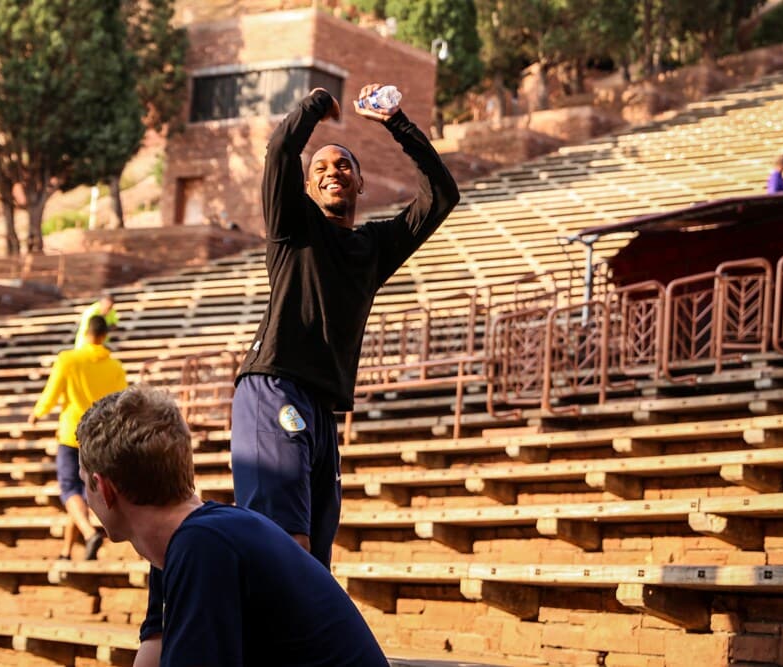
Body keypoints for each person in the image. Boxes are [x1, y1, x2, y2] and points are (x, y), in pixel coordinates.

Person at [230, 83, 460, 568]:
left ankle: (298, 645)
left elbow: (441, 195)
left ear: (360, 184)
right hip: (273, 388)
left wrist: (397, 122)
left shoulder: (374, 248)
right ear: (308, 189)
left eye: (343, 166)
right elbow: (279, 151)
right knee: (287, 544)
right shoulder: (293, 227)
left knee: (315, 561)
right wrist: (316, 105)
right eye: (320, 169)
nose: (332, 171)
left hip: (321, 407)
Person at [76, 384, 390, 667]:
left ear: (104, 489)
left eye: (83, 484)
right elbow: (154, 649)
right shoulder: (188, 540)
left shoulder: (201, 546)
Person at [28, 314, 126, 560]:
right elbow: (120, 403)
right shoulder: (115, 366)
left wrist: (37, 413)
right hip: (99, 437)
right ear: (104, 336)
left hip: (72, 435)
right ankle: (67, 551)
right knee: (80, 495)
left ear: (85, 333)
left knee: (69, 489)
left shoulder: (68, 360)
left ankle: (89, 532)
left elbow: (53, 390)